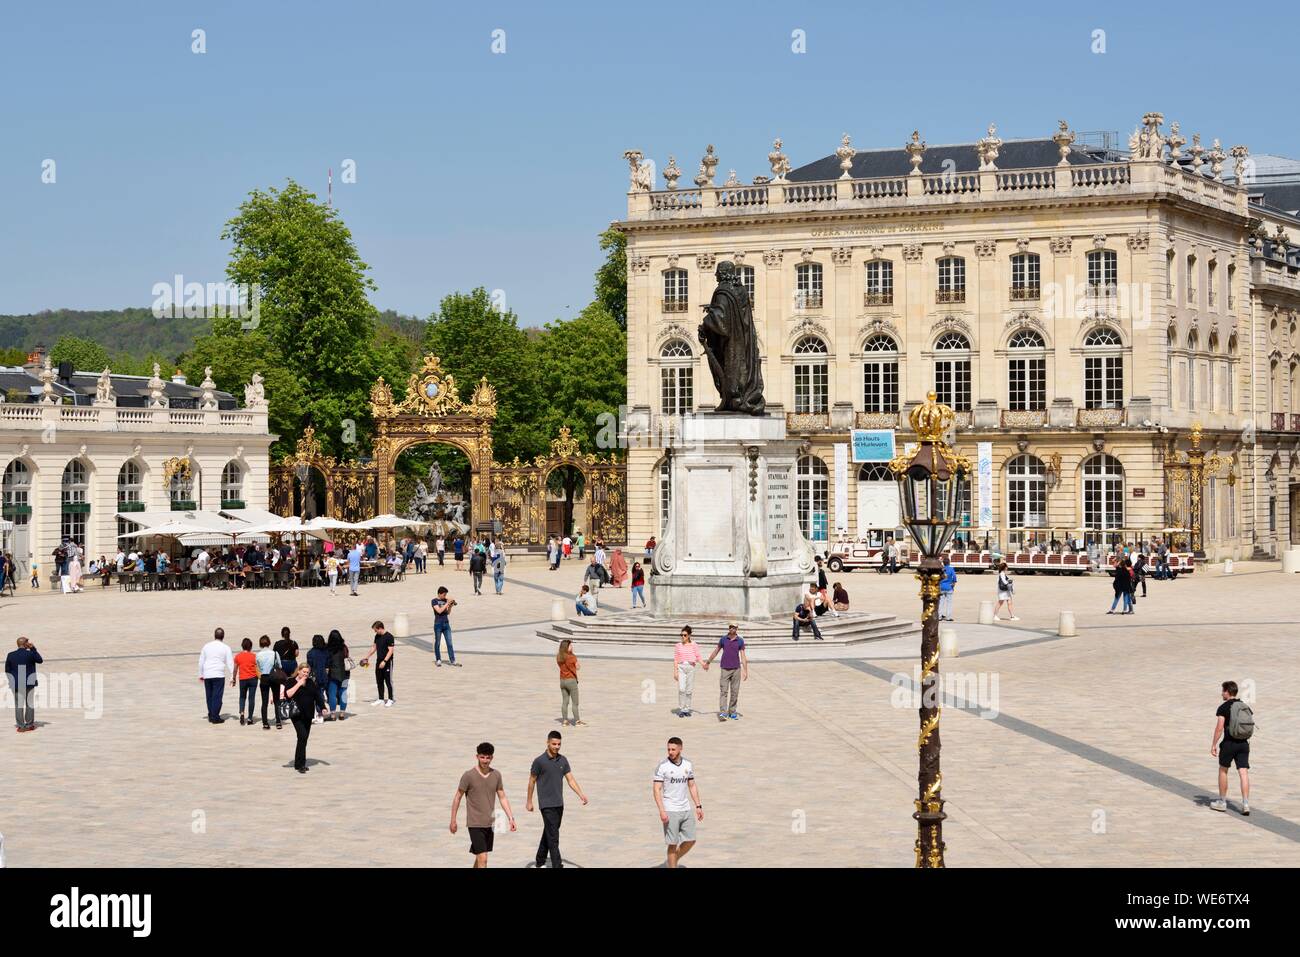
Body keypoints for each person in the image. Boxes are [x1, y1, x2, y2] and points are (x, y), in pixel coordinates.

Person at [527, 730, 588, 868]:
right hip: (546, 804)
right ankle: (557, 865)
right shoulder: (539, 761)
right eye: (554, 744)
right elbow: (531, 781)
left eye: (559, 744)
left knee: (550, 832)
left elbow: (570, 779)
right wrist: (529, 801)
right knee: (553, 836)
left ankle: (540, 861)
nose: (557, 747)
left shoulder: (563, 760)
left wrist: (580, 794)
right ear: (547, 743)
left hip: (559, 803)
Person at [451, 742, 517, 868]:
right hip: (475, 824)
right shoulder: (468, 775)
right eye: (482, 757)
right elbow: (457, 797)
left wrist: (511, 818)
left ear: (492, 758)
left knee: (480, 858)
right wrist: (453, 820)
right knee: (483, 859)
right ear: (477, 757)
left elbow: (502, 797)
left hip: (489, 823)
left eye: (488, 757)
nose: (485, 760)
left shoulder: (496, 775)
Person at [653, 737, 703, 869]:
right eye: (668, 749)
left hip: (685, 808)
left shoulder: (688, 764)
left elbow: (692, 785)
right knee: (672, 843)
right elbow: (656, 789)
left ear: (680, 748)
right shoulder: (662, 766)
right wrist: (662, 810)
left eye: (673, 749)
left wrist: (698, 806)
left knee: (691, 840)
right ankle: (672, 865)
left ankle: (671, 861)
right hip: (670, 810)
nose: (670, 752)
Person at [1210, 680, 1253, 815]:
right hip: (1244, 743)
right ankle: (1245, 804)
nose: (1221, 694)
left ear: (1228, 692)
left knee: (1223, 770)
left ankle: (1222, 802)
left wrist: (1214, 744)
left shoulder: (1223, 708)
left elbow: (1219, 728)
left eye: (1223, 691)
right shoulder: (1244, 705)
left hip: (1229, 743)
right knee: (1243, 772)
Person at [703, 623, 749, 721]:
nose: (732, 629)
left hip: (736, 669)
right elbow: (716, 651)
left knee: (735, 692)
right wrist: (708, 662)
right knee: (723, 691)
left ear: (737, 628)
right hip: (724, 669)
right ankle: (723, 712)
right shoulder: (723, 639)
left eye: (734, 627)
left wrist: (745, 670)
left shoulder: (740, 641)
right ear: (729, 628)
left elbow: (743, 656)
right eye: (730, 627)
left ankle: (732, 712)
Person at [283, 665, 318, 773]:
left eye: (307, 672)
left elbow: (317, 695)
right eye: (304, 672)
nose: (306, 674)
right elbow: (288, 694)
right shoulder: (290, 681)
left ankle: (298, 763)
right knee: (302, 736)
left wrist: (323, 707)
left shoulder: (310, 682)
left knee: (303, 739)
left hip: (308, 714)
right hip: (296, 714)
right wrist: (299, 683)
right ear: (298, 671)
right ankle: (301, 765)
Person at [198, 627, 234, 724]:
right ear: (223, 636)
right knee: (217, 696)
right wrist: (233, 676)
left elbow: (201, 661)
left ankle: (211, 714)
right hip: (218, 674)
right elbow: (230, 663)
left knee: (209, 695)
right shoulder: (226, 647)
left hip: (207, 674)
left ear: (214, 635)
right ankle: (215, 716)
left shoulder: (206, 646)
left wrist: (201, 674)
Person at [6, 637, 43, 732]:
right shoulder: (30, 654)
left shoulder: (10, 655)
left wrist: (12, 681)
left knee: (18, 705)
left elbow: (7, 670)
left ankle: (21, 726)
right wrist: (33, 648)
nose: (29, 643)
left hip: (17, 683)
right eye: (27, 642)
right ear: (25, 644)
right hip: (29, 683)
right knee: (29, 704)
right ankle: (29, 725)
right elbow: (40, 660)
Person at [361, 620, 396, 705]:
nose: (375, 632)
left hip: (387, 662)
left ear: (380, 628)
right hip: (378, 661)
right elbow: (374, 647)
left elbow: (390, 651)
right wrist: (367, 657)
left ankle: (390, 699)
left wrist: (384, 661)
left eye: (375, 630)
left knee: (388, 681)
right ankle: (381, 698)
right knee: (379, 680)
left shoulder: (389, 637)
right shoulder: (377, 636)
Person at [255, 635, 283, 730]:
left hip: (264, 677)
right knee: (276, 700)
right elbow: (279, 665)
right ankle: (278, 722)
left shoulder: (258, 655)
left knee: (264, 701)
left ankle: (265, 723)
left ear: (260, 644)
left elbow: (258, 667)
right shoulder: (274, 653)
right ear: (269, 643)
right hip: (274, 677)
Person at [673, 626, 702, 717]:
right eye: (681, 635)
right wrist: (675, 671)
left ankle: (687, 709)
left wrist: (704, 664)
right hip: (681, 667)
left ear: (689, 635)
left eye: (685, 635)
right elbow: (676, 659)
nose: (683, 637)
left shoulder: (694, 644)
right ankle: (681, 709)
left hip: (691, 668)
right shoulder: (678, 645)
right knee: (681, 689)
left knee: (689, 690)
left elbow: (698, 656)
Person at [431, 587, 461, 667]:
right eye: (444, 595)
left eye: (446, 595)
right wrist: (447, 603)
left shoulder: (445, 601)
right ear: (439, 594)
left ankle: (452, 660)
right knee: (437, 642)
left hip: (446, 624)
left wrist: (450, 606)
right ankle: (438, 660)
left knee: (449, 643)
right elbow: (439, 611)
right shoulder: (434, 601)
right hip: (438, 624)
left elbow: (447, 613)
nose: (445, 596)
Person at [324, 630, 350, 720]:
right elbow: (346, 657)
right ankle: (342, 714)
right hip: (345, 674)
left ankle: (333, 715)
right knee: (343, 693)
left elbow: (327, 661)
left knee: (332, 694)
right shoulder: (344, 647)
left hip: (332, 674)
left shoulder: (328, 648)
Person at [234, 637, 259, 726]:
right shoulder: (254, 656)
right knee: (251, 698)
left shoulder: (238, 656)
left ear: (242, 646)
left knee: (242, 697)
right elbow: (258, 667)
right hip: (253, 679)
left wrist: (234, 678)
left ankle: (242, 713)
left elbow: (235, 669)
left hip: (243, 679)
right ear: (250, 647)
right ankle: (250, 718)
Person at [307, 634, 330, 723]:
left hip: (315, 677)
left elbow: (309, 666)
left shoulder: (310, 653)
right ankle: (322, 712)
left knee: (317, 695)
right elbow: (327, 665)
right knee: (321, 694)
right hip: (324, 676)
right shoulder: (326, 652)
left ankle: (320, 714)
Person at [938, 555, 957, 622]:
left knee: (941, 602)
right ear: (949, 562)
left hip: (941, 587)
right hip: (949, 587)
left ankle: (939, 616)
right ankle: (948, 617)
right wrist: (953, 584)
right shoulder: (951, 569)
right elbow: (954, 577)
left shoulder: (941, 569)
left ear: (943, 563)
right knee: (949, 603)